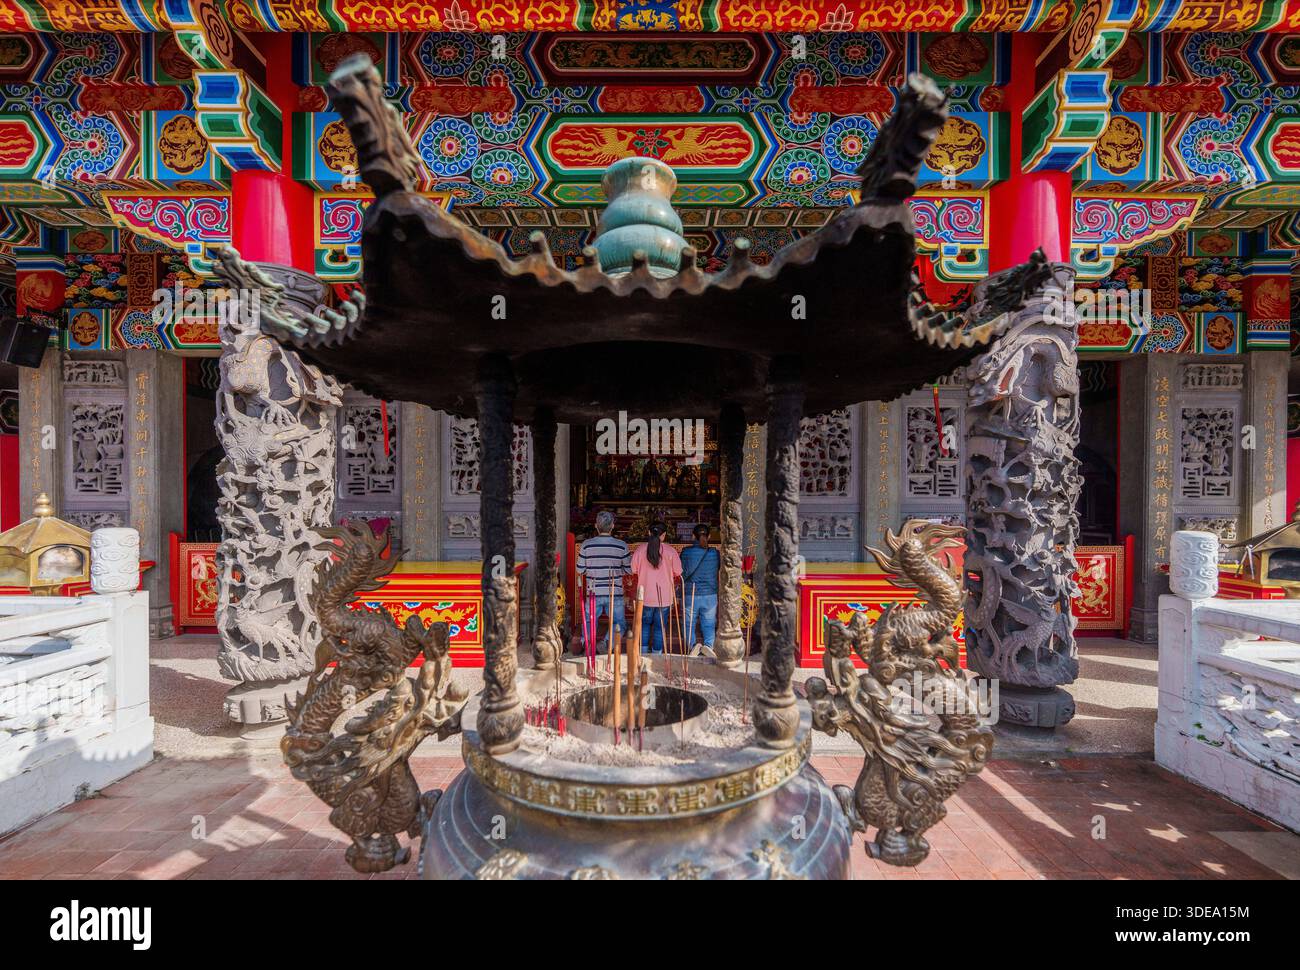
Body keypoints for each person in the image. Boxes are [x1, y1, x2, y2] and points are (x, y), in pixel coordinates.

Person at [575, 511, 630, 653]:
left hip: (594, 591)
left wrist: (593, 571)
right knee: (620, 623)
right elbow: (628, 570)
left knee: (589, 621)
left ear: (596, 526)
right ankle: (606, 643)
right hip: (614, 591)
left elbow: (580, 570)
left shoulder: (586, 545)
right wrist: (618, 572)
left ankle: (587, 644)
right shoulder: (621, 545)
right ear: (612, 526)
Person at [630, 521, 682, 654]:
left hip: (644, 596)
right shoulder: (671, 551)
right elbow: (678, 571)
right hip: (664, 597)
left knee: (644, 625)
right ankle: (657, 654)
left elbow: (633, 569)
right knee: (660, 627)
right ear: (664, 535)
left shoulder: (640, 549)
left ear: (648, 533)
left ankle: (642, 652)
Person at [679, 523, 719, 649]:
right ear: (709, 536)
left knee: (689, 624)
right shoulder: (715, 553)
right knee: (709, 624)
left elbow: (681, 571)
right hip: (710, 595)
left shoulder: (685, 552)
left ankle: (691, 648)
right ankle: (709, 648)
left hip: (691, 594)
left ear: (692, 536)